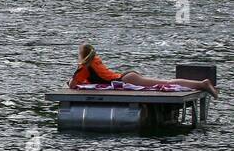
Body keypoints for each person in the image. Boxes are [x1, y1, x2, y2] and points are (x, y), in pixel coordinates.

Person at [70, 44, 218, 98]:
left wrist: (75, 74)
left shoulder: (84, 67)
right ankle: (201, 84)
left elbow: (73, 85)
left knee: (167, 83)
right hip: (127, 76)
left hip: (126, 80)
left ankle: (202, 84)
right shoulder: (95, 59)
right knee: (166, 82)